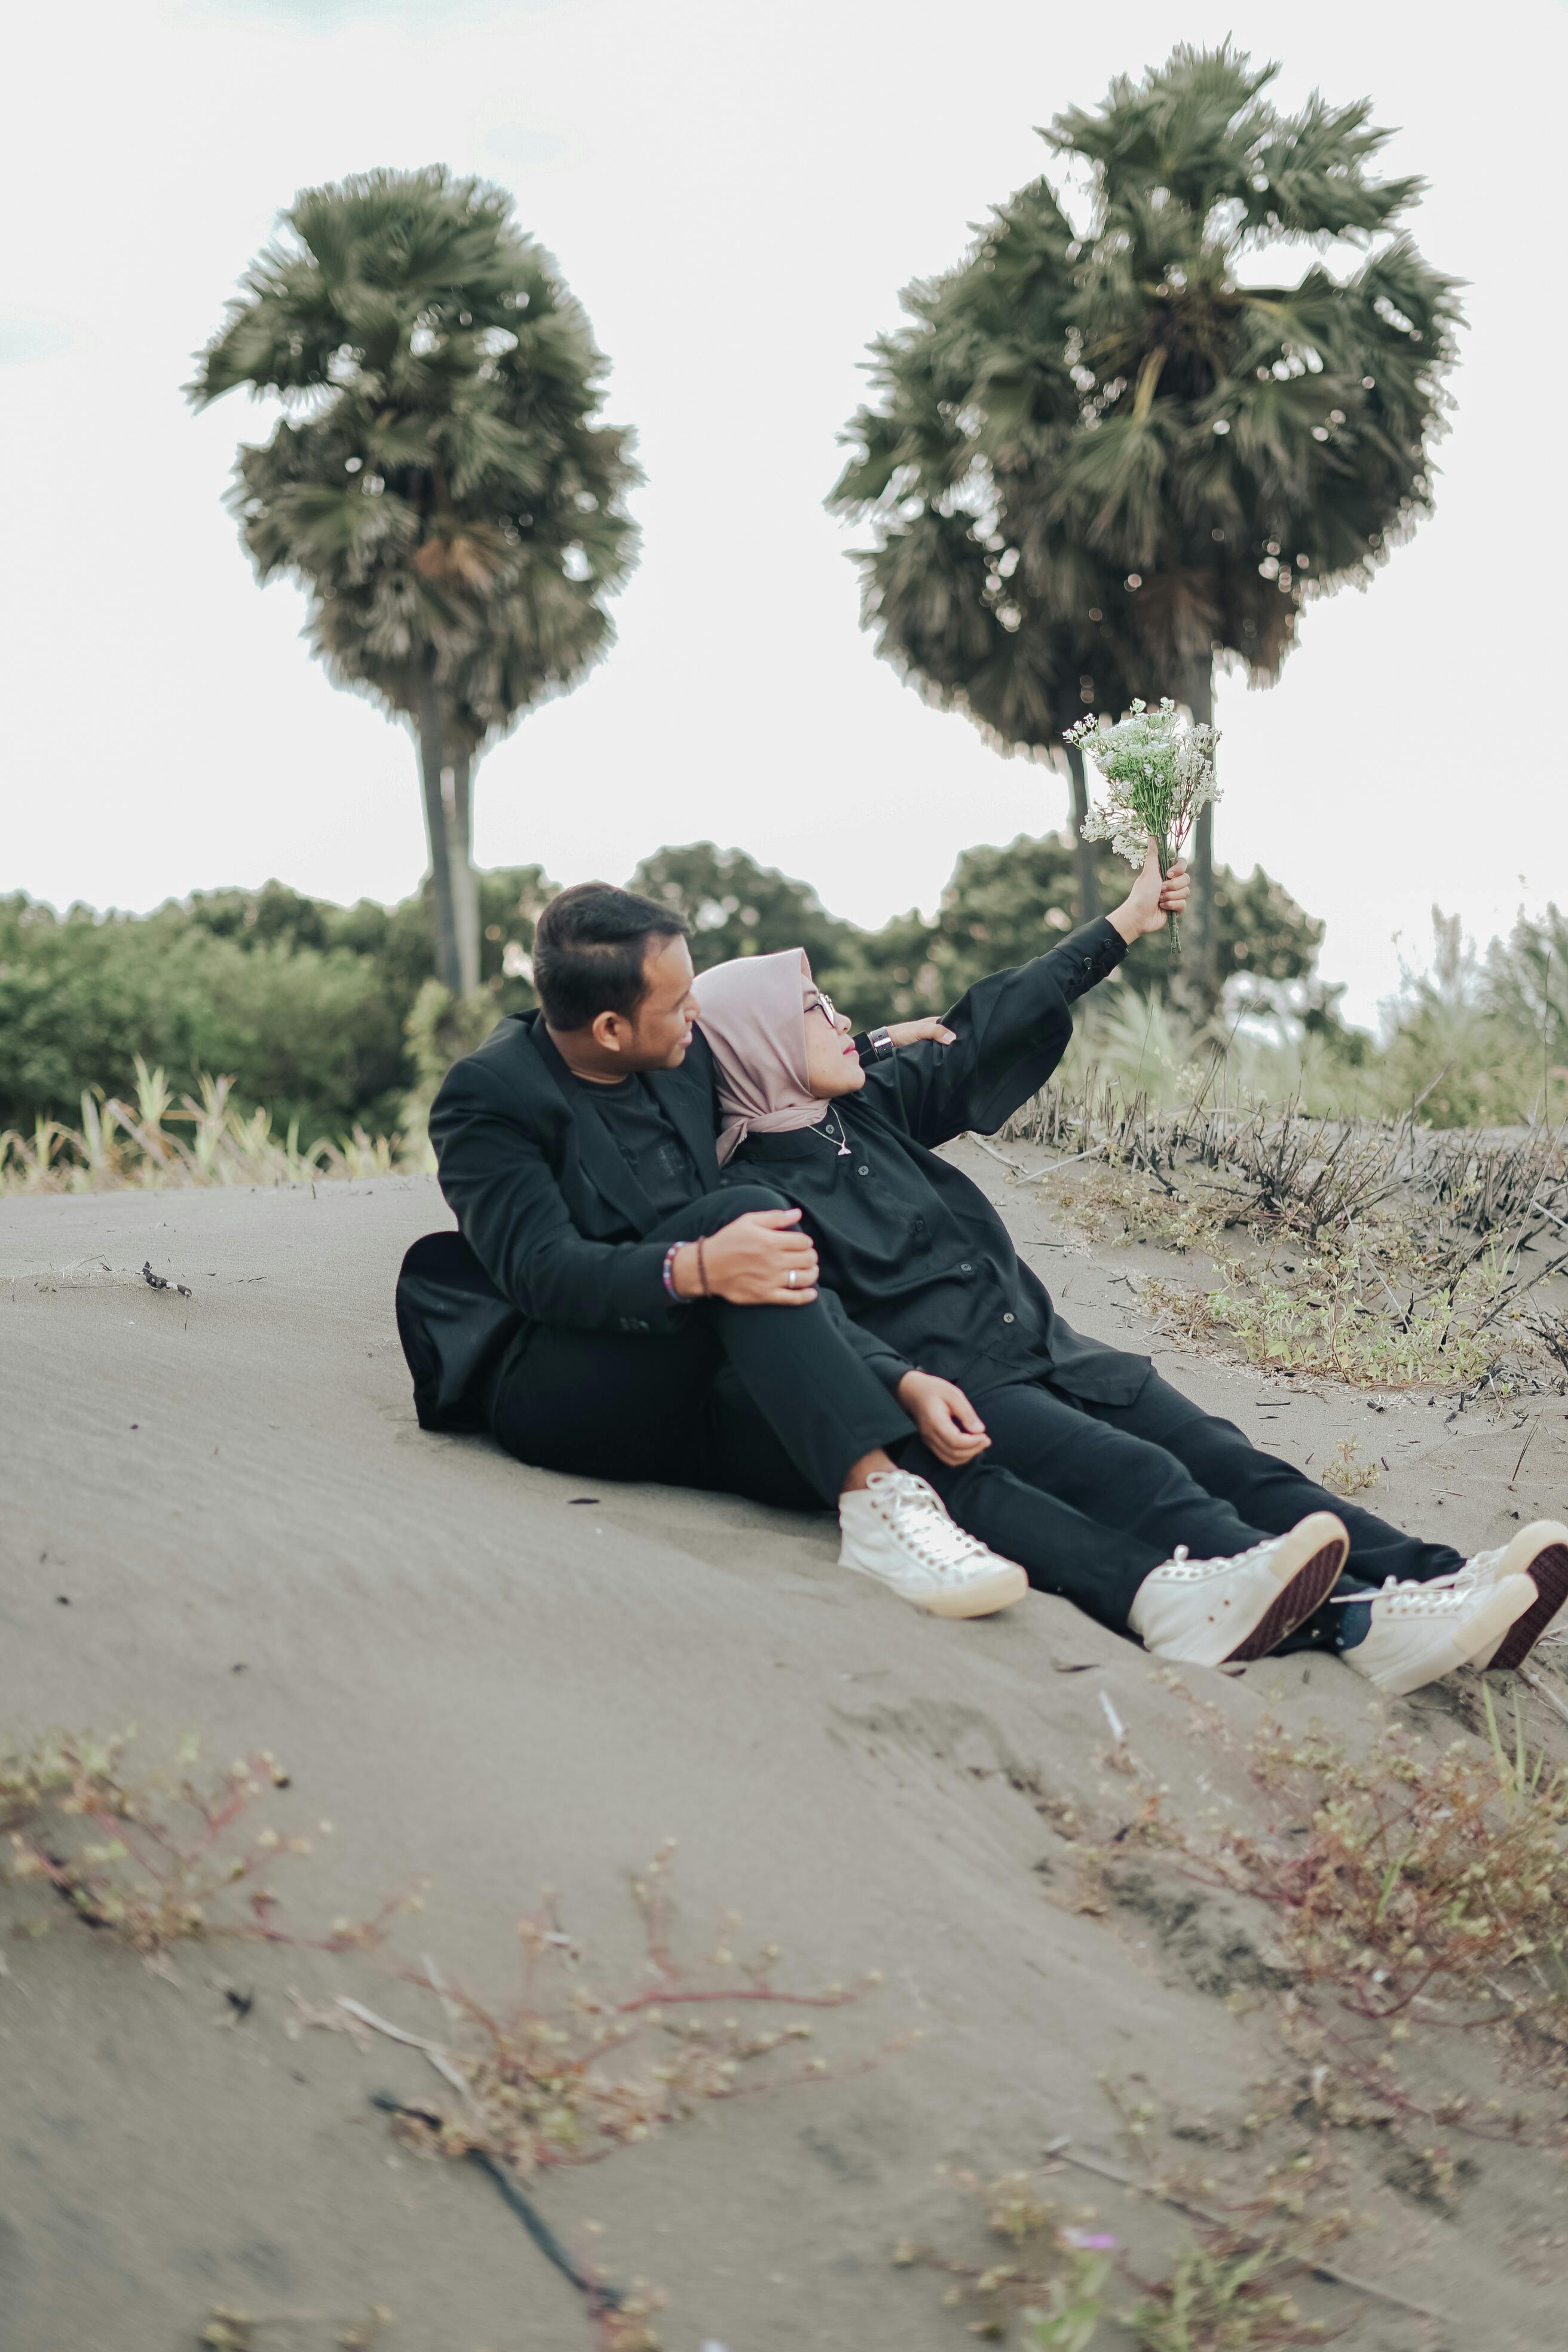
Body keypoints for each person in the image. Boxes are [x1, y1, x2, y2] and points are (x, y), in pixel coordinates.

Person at [694, 847, 1568, 1698]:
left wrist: (1123, 924)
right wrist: (903, 1385)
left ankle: (1446, 1582)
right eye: (813, 1010)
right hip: (970, 1393)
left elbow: (996, 1017)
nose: (844, 1022)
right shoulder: (748, 1194)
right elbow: (817, 1326)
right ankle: (1368, 1625)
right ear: (759, 1039)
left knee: (1236, 1462)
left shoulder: (872, 1107)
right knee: (1146, 1485)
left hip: (1056, 1350)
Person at [398, 881, 1030, 1618]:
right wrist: (694, 1269)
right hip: (569, 1379)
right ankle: (874, 1509)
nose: (695, 1013)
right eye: (675, 1004)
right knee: (745, 1214)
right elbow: (541, 1273)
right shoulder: (489, 1098)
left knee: (916, 1442)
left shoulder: (678, 1052)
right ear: (608, 1029)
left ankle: (1139, 1577)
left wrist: (891, 1378)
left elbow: (783, 1071)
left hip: (704, 1360)